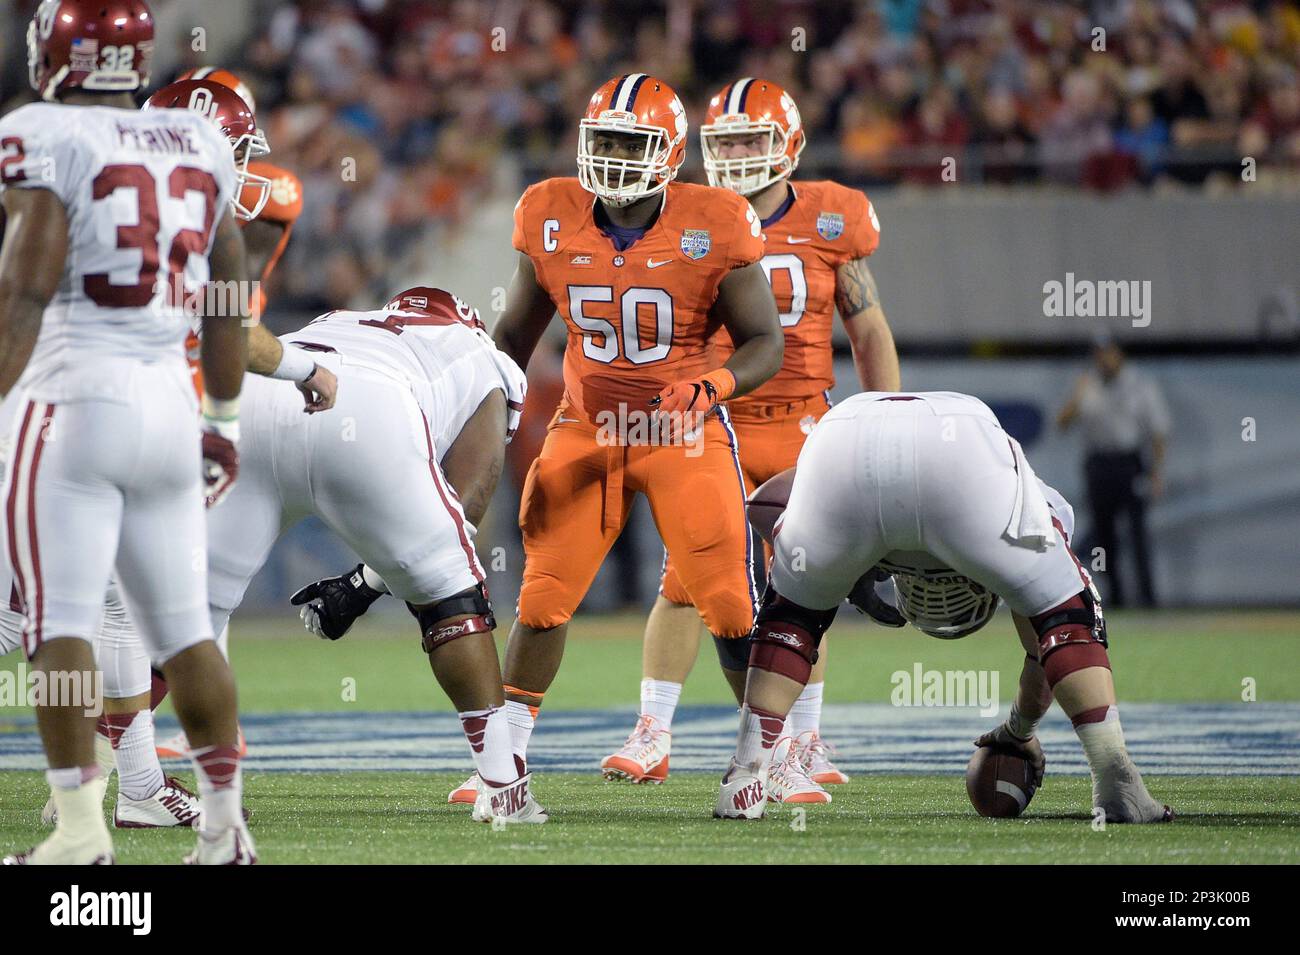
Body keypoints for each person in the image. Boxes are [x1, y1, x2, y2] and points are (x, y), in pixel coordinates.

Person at [0, 0, 254, 864]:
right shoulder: (201, 141)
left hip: (70, 400)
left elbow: (25, 290)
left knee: (59, 624)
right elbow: (230, 296)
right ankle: (225, 828)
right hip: (170, 406)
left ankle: (79, 830)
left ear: (59, 55)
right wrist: (221, 418)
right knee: (181, 628)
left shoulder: (42, 132)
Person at [603, 77, 899, 804]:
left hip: (804, 424)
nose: (735, 155)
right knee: (687, 577)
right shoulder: (692, 213)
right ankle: (654, 729)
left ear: (788, 145)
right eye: (724, 141)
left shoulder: (833, 218)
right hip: (718, 421)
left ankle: (802, 738)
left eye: (748, 140)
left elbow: (867, 328)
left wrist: (886, 417)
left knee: (807, 582)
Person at [713, 391, 1172, 826]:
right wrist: (1019, 729)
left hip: (844, 435)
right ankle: (1116, 783)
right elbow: (1049, 643)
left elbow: (763, 504)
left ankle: (744, 777)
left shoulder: (991, 521)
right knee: (1069, 618)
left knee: (791, 620)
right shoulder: (1020, 513)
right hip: (939, 446)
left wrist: (837, 571)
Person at [207, 287, 543, 824]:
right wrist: (365, 587)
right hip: (366, 406)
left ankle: (118, 782)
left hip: (264, 393)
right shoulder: (479, 350)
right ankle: (504, 788)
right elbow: (468, 499)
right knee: (450, 593)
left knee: (186, 614)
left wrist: (362, 583)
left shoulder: (341, 317)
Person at [1057, 340, 1169, 607]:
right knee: (1104, 535)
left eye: (1108, 353)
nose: (1103, 359)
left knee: (1137, 532)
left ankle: (1147, 598)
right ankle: (1116, 597)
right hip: (1099, 465)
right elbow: (1062, 424)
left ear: (1119, 354)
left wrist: (1156, 473)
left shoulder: (1139, 384)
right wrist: (1077, 395)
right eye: (1098, 353)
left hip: (1129, 463)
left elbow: (1159, 430)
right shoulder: (1088, 384)